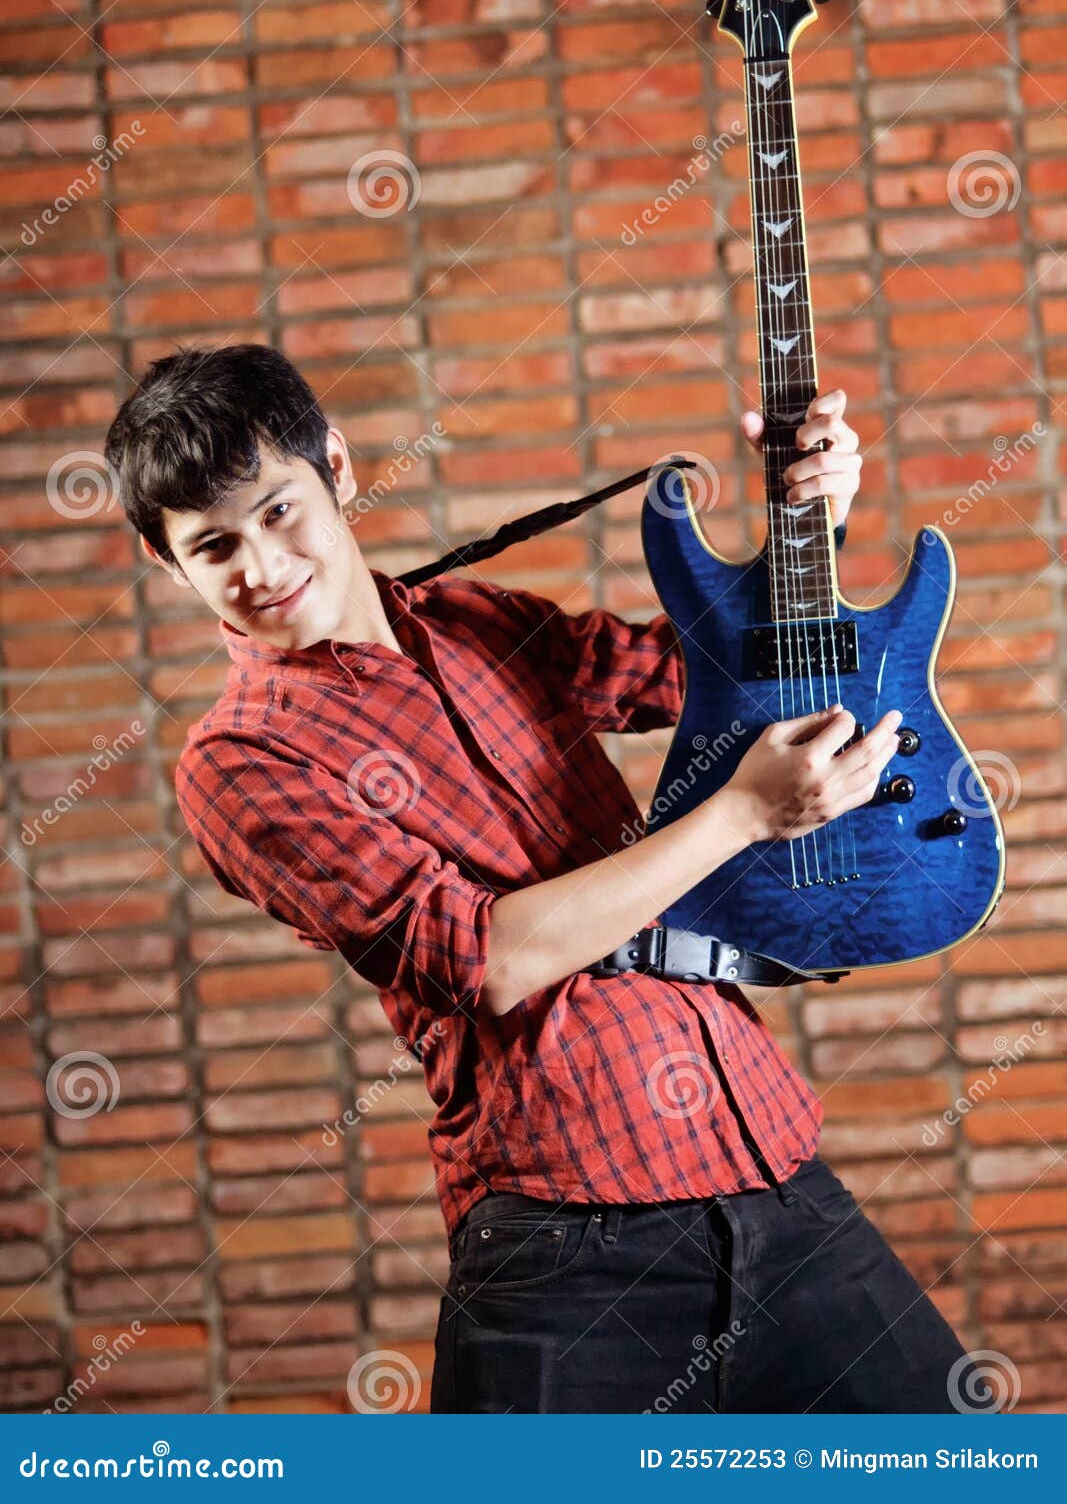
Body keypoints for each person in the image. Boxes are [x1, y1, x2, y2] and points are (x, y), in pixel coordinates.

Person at [103, 342, 971, 1414]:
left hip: (766, 1168)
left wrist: (809, 523)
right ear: (168, 563)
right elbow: (488, 959)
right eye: (214, 545)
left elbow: (716, 675)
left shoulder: (478, 622)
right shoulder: (239, 762)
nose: (262, 566)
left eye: (278, 511)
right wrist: (742, 814)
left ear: (335, 464)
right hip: (567, 1239)